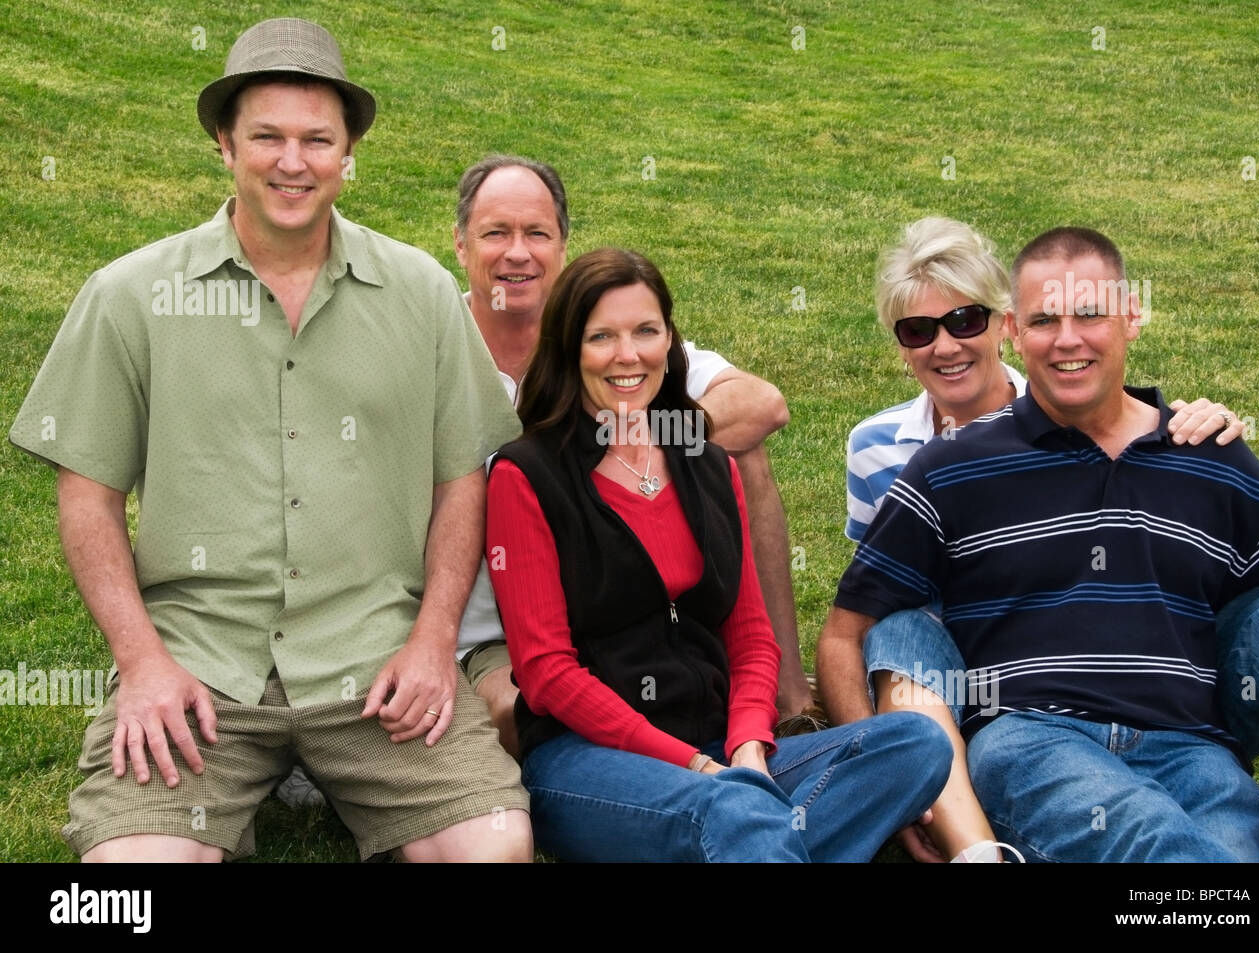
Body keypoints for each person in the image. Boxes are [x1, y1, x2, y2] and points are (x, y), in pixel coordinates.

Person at [8, 18, 530, 862]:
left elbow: (459, 478)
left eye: (319, 139)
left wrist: (434, 642)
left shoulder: (424, 294)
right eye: (268, 137)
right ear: (224, 144)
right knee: (129, 876)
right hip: (199, 663)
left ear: (349, 153)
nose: (294, 162)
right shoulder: (130, 295)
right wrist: (140, 662)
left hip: (376, 659)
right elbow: (89, 496)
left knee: (494, 845)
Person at [819, 224, 1259, 861]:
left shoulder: (1207, 454)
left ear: (1132, 317)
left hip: (1192, 748)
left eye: (1089, 314)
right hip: (1033, 738)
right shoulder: (949, 466)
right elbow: (848, 633)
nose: (1067, 339)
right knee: (1151, 839)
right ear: (1016, 331)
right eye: (1046, 319)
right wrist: (887, 780)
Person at [484, 247, 954, 861]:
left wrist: (749, 746)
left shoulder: (706, 462)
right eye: (603, 336)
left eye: (647, 331)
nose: (629, 355)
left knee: (916, 744)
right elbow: (547, 676)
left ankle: (743, 837)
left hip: (722, 743)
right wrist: (700, 767)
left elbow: (751, 634)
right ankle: (747, 828)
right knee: (731, 807)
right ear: (571, 350)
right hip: (588, 759)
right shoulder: (526, 475)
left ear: (670, 342)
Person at [451, 155, 817, 760]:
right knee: (523, 716)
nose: (518, 253)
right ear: (461, 244)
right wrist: (556, 458)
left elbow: (764, 405)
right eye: (496, 233)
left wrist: (636, 431)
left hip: (615, 601)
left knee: (733, 454)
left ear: (563, 245)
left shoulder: (608, 332)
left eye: (537, 233)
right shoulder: (436, 343)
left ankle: (788, 697)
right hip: (492, 625)